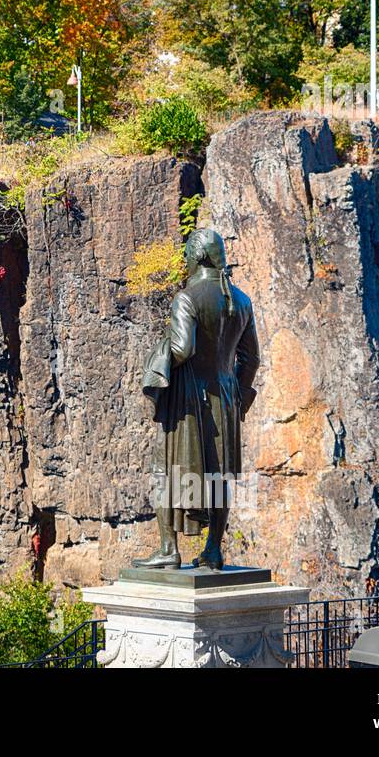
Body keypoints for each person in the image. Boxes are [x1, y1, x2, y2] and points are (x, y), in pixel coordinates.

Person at [134, 228, 259, 571]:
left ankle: (168, 549)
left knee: (166, 469)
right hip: (226, 396)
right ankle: (213, 550)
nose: (185, 261)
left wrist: (156, 358)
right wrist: (238, 393)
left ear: (200, 256)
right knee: (219, 476)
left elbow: (181, 348)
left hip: (190, 397)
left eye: (188, 254)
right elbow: (252, 359)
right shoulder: (242, 300)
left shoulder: (186, 298)